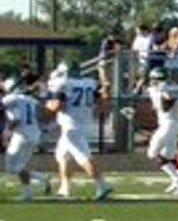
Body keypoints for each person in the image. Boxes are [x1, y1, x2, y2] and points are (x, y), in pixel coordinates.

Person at [44, 63, 113, 203]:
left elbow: (59, 105)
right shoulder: (89, 83)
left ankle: (102, 185)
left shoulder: (64, 83)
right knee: (62, 155)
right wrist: (102, 110)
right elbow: (101, 99)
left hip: (71, 125)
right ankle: (65, 188)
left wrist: (47, 111)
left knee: (83, 157)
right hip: (81, 122)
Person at [143, 75, 178, 194]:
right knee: (170, 156)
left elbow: (166, 108)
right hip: (168, 125)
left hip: (169, 124)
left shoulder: (172, 89)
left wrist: (165, 93)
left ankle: (176, 177)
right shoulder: (154, 89)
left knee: (152, 153)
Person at [2, 75, 39, 203]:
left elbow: (16, 118)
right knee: (19, 166)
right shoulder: (30, 99)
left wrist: (6, 132)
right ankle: (36, 186)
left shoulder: (11, 99)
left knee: (11, 167)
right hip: (34, 134)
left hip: (21, 135)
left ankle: (34, 186)